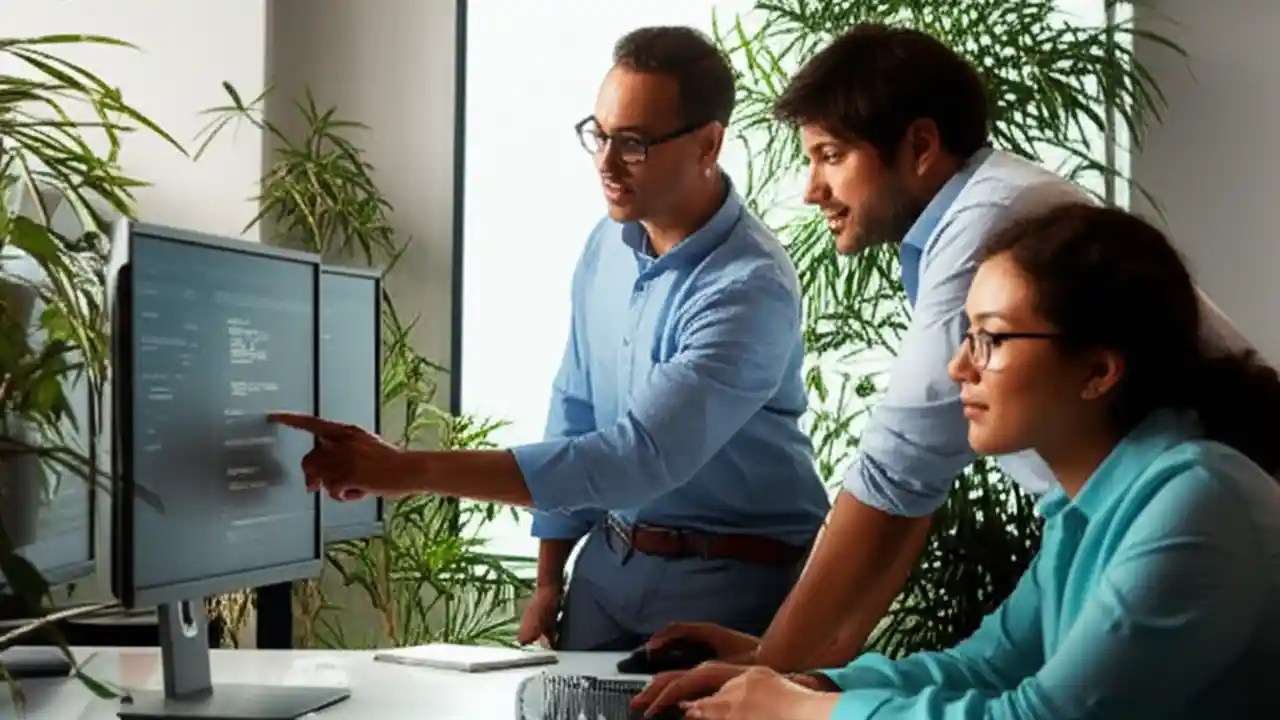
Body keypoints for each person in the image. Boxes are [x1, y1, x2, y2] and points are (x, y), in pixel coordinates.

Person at [637, 21, 1254, 682]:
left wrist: (770, 675)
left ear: (921, 146)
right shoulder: (973, 218)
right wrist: (793, 670)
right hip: (1133, 527)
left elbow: (893, 473)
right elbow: (912, 489)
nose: (811, 189)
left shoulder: (988, 228)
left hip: (1195, 539)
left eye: (830, 155)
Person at [269, 26, 829, 652]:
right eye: (600, 134)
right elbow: (576, 412)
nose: (606, 163)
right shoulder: (607, 246)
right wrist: (547, 579)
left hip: (733, 578)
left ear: (708, 143)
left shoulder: (749, 288)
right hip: (608, 566)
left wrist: (407, 469)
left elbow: (634, 457)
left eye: (635, 144)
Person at [645, 203, 1280, 719]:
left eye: (991, 338)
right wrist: (809, 683)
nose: (959, 366)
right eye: (966, 333)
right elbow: (989, 665)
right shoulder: (1085, 506)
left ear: (1098, 370)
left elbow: (1042, 718)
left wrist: (800, 713)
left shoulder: (1198, 499)